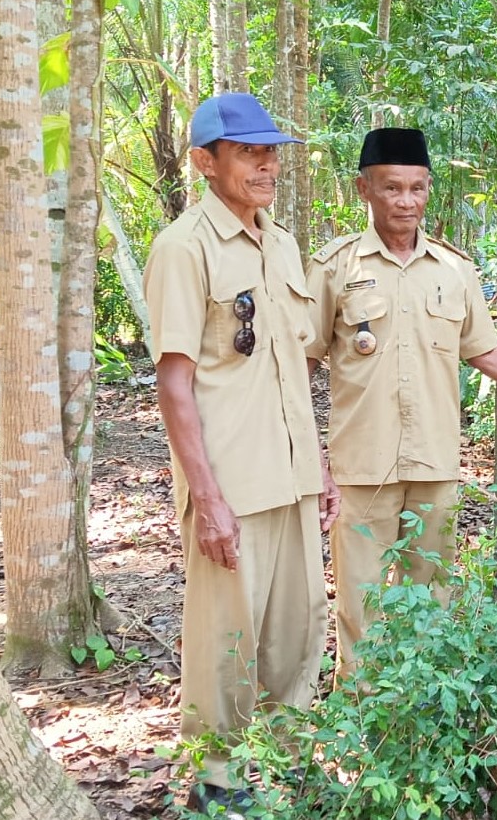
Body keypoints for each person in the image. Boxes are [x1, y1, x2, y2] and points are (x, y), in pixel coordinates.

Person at [305, 127, 497, 677]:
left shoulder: (455, 270)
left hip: (435, 464)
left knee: (432, 593)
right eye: (391, 188)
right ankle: (361, 722)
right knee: (359, 604)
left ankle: (422, 716)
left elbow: (486, 353)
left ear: (429, 187)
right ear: (364, 190)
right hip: (362, 467)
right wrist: (313, 461)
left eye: (416, 188)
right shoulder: (335, 267)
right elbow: (300, 363)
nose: (405, 201)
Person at [144, 93, 340, 814]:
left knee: (297, 631)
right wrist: (209, 499)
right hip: (229, 479)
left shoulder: (282, 243)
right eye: (249, 151)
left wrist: (317, 467)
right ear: (205, 161)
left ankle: (288, 764)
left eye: (272, 150)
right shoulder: (182, 247)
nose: (267, 162)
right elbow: (174, 382)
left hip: (289, 476)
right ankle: (216, 781)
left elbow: (294, 366)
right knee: (225, 640)